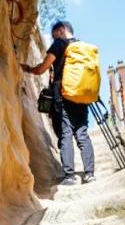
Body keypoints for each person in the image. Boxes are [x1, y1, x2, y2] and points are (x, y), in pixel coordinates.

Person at [21, 20, 96, 186]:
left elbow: (42, 68)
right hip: (81, 95)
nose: (54, 38)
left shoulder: (60, 44)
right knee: (82, 133)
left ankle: (70, 176)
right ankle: (90, 174)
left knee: (66, 134)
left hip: (64, 95)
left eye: (55, 35)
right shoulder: (81, 47)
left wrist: (28, 69)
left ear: (61, 30)